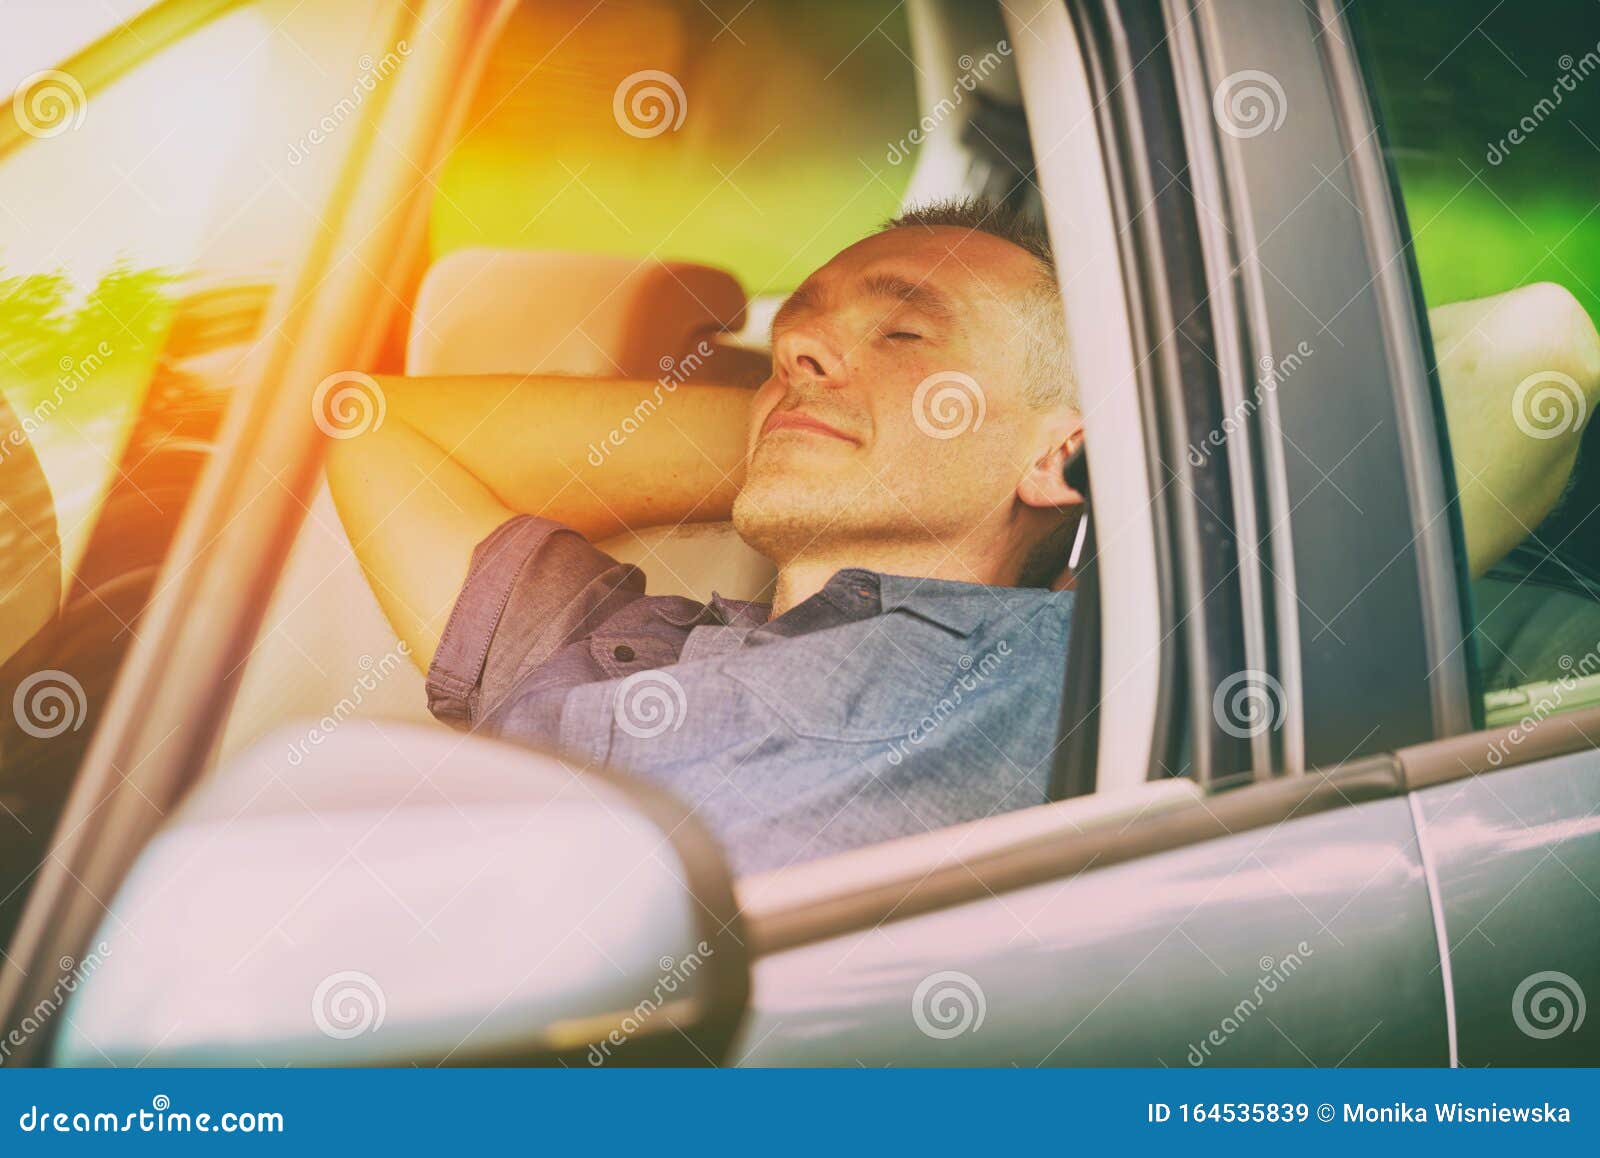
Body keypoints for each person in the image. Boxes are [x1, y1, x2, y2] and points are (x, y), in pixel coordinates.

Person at [326, 197, 1600, 874]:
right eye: (799, 332)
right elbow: (369, 429)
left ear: (1066, 447)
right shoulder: (622, 642)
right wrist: (797, 433)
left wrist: (1102, 458)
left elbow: (1526, 351)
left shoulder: (1099, 669)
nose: (805, 349)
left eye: (904, 332)